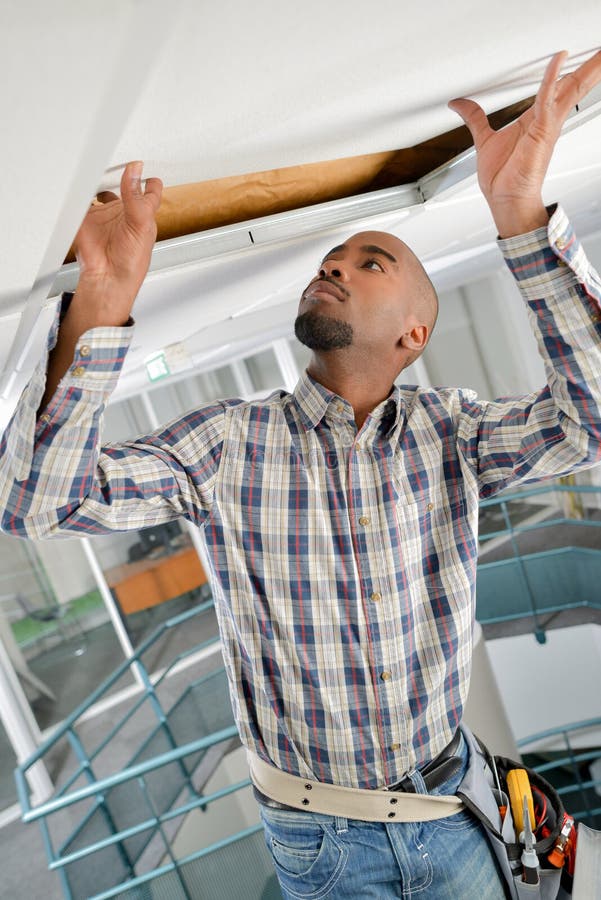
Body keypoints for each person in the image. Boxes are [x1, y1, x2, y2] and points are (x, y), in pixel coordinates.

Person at [2, 49, 601, 898]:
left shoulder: (451, 434)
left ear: (412, 336)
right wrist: (100, 301)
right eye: (332, 258)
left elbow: (592, 423)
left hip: (456, 813)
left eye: (369, 262)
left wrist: (519, 216)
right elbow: (34, 506)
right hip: (324, 845)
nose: (333, 265)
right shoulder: (226, 444)